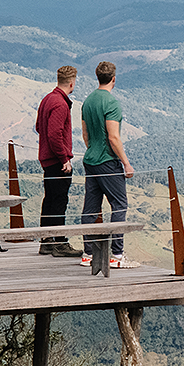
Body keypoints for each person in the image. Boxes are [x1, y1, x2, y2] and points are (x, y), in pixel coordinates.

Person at [80, 60, 134, 269]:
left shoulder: (88, 101)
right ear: (113, 78)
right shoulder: (111, 103)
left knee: (90, 209)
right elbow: (113, 137)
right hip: (108, 162)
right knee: (119, 205)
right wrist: (126, 164)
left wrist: (92, 149)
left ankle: (88, 254)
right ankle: (117, 255)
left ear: (97, 77)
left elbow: (85, 134)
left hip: (90, 160)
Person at [34, 65, 80, 257]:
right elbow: (54, 134)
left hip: (47, 159)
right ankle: (60, 243)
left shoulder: (47, 99)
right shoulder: (61, 104)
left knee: (50, 200)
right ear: (71, 82)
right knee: (60, 200)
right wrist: (64, 158)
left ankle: (46, 241)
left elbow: (38, 127)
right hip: (57, 161)